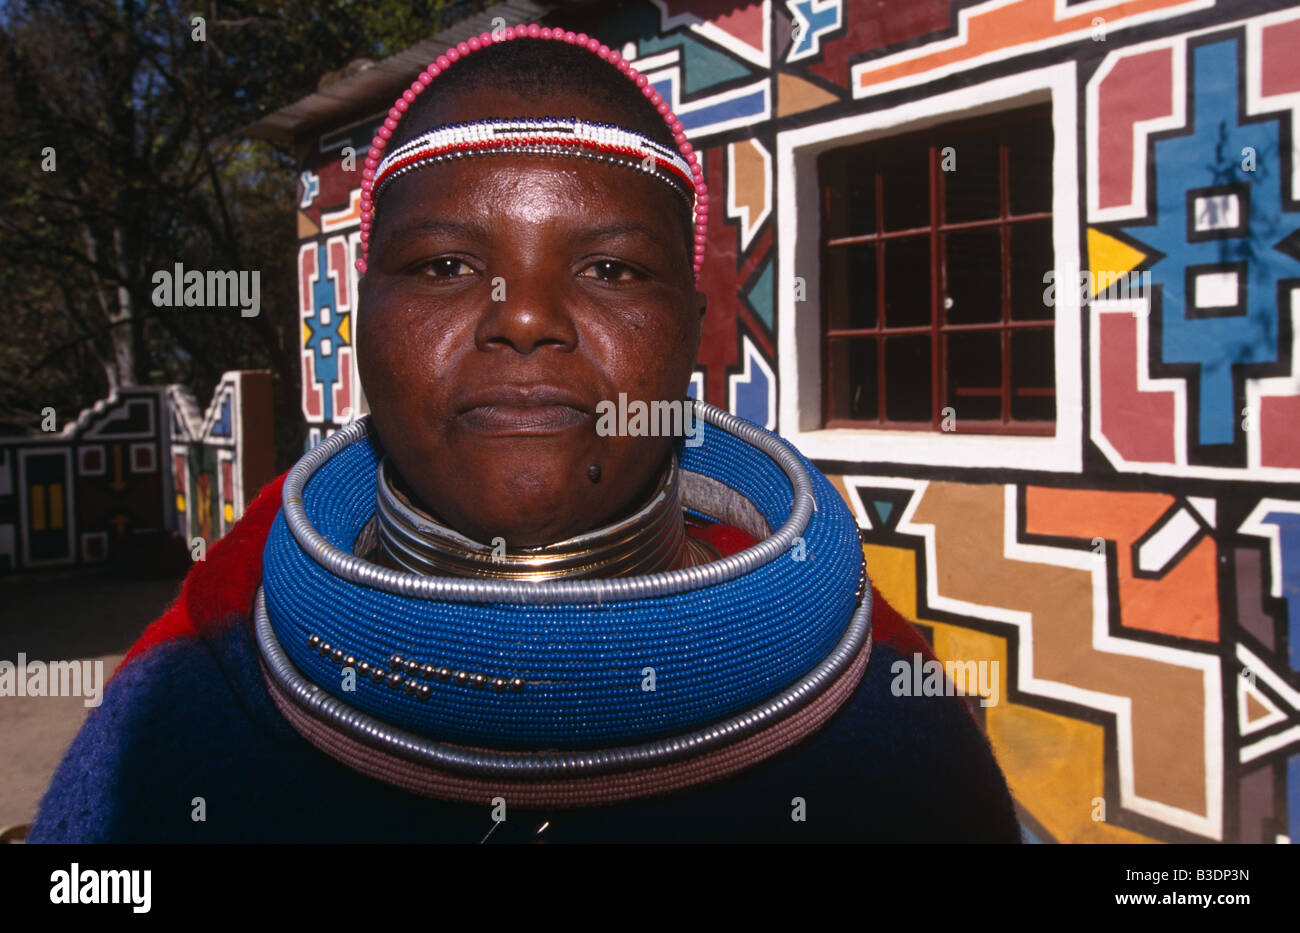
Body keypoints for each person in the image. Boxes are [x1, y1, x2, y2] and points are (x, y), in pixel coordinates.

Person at [29, 28, 1021, 843]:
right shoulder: (175, 736)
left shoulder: (891, 736)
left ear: (704, 324)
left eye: (614, 271)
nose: (523, 316)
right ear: (356, 316)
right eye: (443, 266)